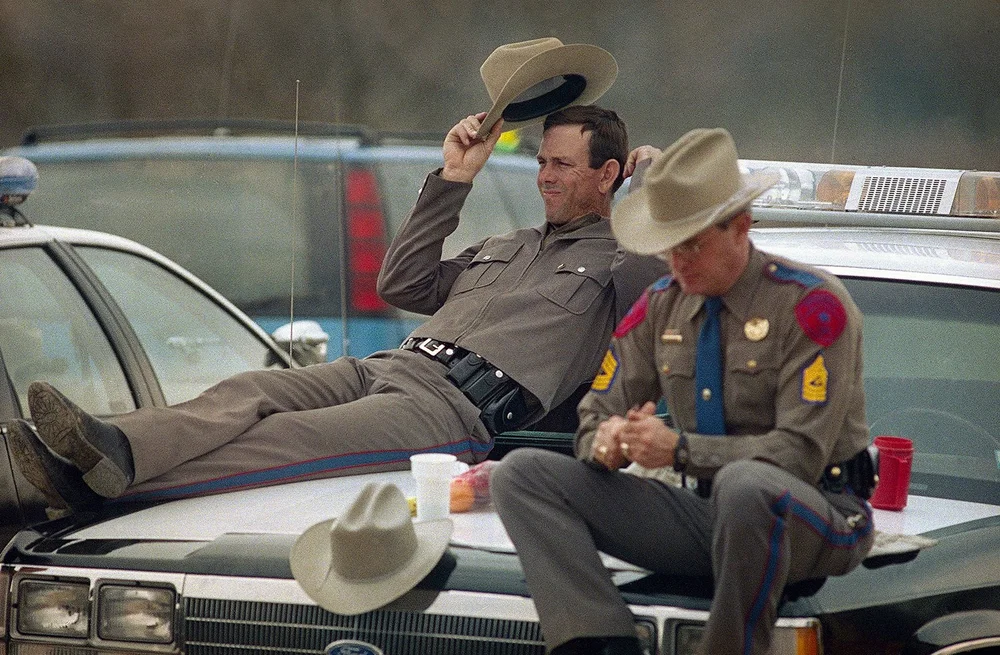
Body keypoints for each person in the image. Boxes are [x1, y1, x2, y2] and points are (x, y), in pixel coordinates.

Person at [7, 103, 669, 514]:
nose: (545, 176)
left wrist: (649, 197)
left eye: (563, 165)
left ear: (608, 174)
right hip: (387, 366)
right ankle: (117, 446)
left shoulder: (619, 260)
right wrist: (453, 179)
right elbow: (404, 284)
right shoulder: (511, 242)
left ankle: (86, 487)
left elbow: (652, 296)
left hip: (449, 411)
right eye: (542, 162)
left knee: (282, 441)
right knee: (253, 388)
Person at [492, 128, 877, 655]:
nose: (678, 262)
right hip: (707, 516)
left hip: (818, 517)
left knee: (747, 487)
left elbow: (798, 454)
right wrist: (604, 441)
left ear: (741, 228)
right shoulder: (661, 305)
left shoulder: (811, 307)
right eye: (668, 246)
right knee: (522, 474)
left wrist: (678, 450)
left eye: (693, 243)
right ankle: (599, 643)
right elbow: (597, 410)